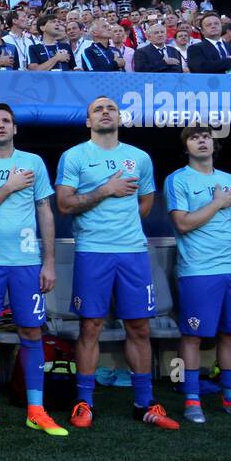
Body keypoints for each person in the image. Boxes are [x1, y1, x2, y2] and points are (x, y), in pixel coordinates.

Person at [55, 97, 176, 430]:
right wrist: (105, 191)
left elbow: (147, 199)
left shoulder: (139, 157)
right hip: (93, 251)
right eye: (98, 109)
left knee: (139, 327)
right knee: (90, 327)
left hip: (133, 252)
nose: (105, 112)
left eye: (110, 108)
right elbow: (64, 204)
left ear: (120, 117)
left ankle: (144, 403)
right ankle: (84, 403)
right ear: (88, 120)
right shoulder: (75, 156)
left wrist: (122, 224)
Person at [0, 104, 66, 437]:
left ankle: (37, 410)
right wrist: (8, 186)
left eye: (7, 121)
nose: (1, 125)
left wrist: (48, 261)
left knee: (32, 332)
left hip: (26, 263)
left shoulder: (33, 163)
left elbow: (45, 212)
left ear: (15, 129)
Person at [163, 126, 231, 424]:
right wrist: (216, 203)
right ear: (186, 147)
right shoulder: (177, 180)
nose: (202, 141)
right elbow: (182, 224)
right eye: (194, 137)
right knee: (193, 335)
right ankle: (191, 400)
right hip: (198, 270)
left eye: (206, 136)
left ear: (214, 144)